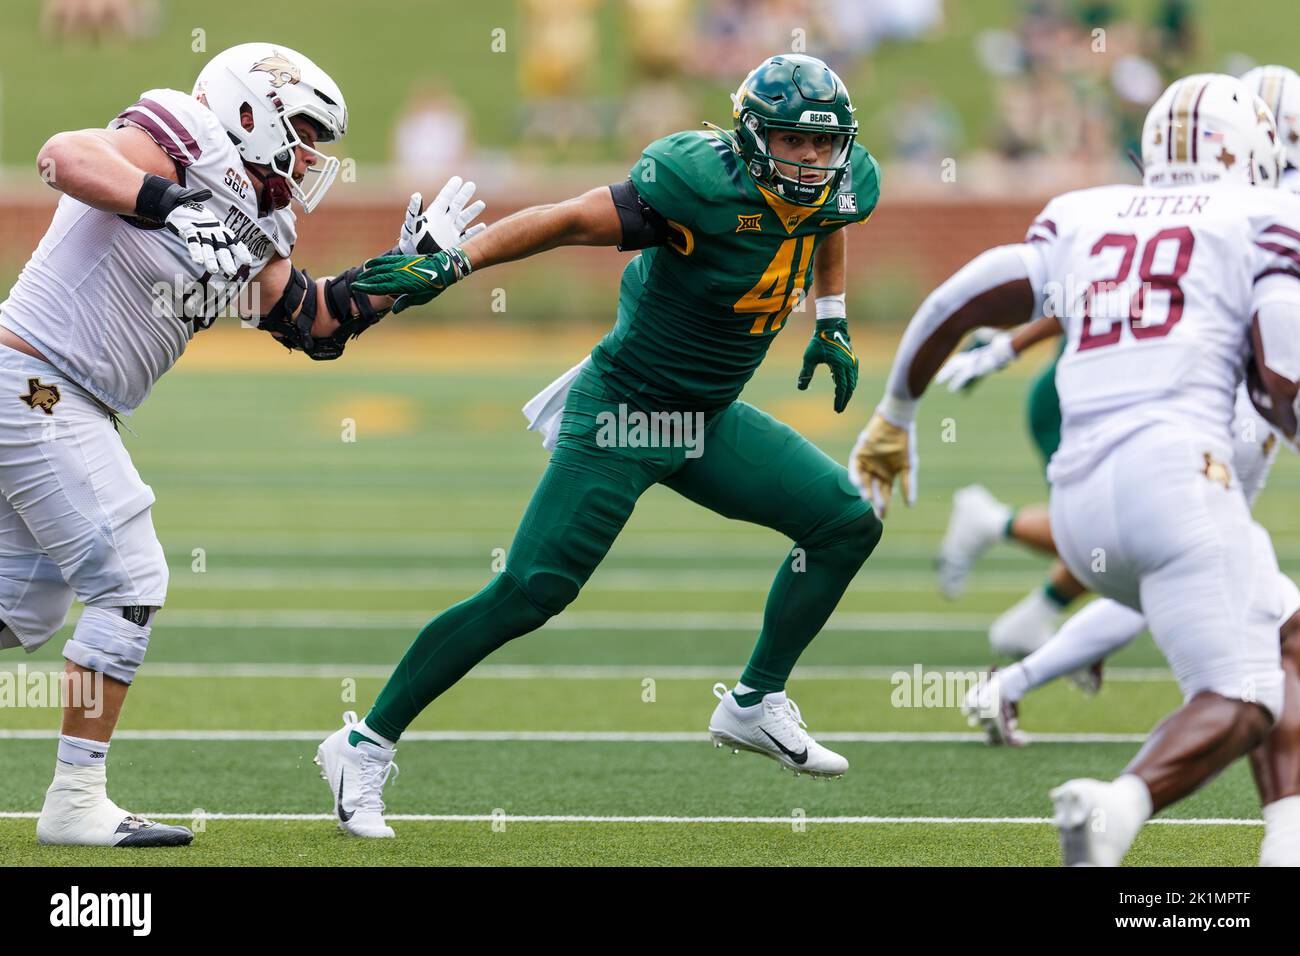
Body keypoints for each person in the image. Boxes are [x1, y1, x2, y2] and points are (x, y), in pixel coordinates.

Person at [321, 54, 883, 839]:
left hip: (708, 419)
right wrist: (453, 262)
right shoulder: (695, 183)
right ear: (754, 138)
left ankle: (755, 701)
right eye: (796, 143)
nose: (815, 161)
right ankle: (363, 743)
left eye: (827, 147)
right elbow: (566, 218)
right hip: (626, 412)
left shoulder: (845, 179)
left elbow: (831, 222)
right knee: (530, 592)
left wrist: (832, 317)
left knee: (846, 522)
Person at [0, 41, 482, 847]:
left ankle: (74, 797)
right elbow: (63, 157)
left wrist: (408, 271)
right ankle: (75, 801)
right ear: (251, 111)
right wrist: (171, 203)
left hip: (63, 398)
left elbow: (313, 323)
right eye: (303, 135)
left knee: (21, 608)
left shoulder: (261, 216)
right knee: (129, 577)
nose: (308, 160)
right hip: (36, 380)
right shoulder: (182, 135)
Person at [850, 73, 1300, 866]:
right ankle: (1116, 807)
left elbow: (965, 293)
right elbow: (1283, 379)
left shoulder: (1089, 212)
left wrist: (897, 412)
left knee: (1286, 632)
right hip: (1181, 479)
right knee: (1245, 696)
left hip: (1079, 497)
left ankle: (1287, 843)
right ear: (1259, 149)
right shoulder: (1264, 216)